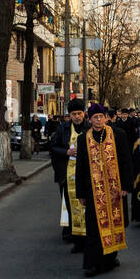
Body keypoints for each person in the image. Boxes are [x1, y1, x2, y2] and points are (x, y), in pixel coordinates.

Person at [74, 104, 133, 277]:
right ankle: (92, 264)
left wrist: (126, 186)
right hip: (93, 191)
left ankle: (110, 258)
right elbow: (80, 168)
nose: (98, 120)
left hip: (115, 190)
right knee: (93, 228)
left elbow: (126, 161)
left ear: (106, 117)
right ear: (89, 119)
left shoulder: (118, 135)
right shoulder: (84, 138)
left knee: (114, 224)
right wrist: (81, 194)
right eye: (95, 117)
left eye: (101, 116)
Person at [49, 100, 87, 249]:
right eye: (73, 114)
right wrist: (67, 152)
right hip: (67, 176)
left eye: (79, 113)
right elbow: (53, 147)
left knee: (85, 206)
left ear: (84, 114)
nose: (77, 117)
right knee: (70, 206)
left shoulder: (89, 128)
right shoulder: (63, 129)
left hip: (85, 176)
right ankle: (73, 235)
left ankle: (86, 235)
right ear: (69, 115)